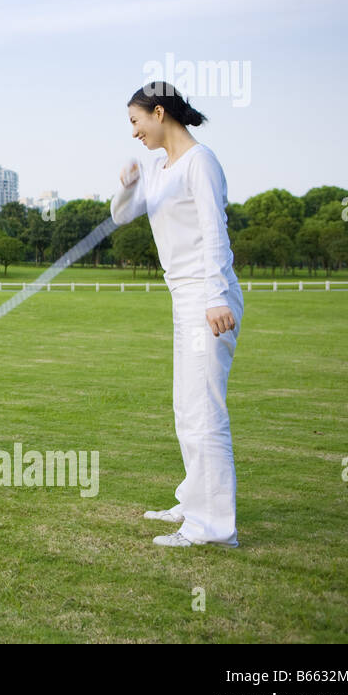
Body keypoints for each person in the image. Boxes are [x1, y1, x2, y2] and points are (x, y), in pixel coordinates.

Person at [111, 82, 243, 547]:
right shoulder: (158, 167)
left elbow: (214, 233)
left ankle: (212, 528)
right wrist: (127, 186)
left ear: (159, 112)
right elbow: (123, 216)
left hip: (207, 296)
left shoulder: (200, 162)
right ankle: (194, 502)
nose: (133, 132)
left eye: (135, 121)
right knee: (186, 408)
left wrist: (216, 297)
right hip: (183, 298)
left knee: (204, 411)